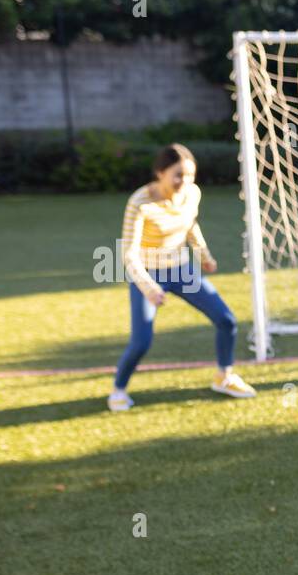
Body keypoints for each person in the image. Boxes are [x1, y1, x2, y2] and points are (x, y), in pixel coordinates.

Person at [108, 144, 255, 411]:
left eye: (189, 176)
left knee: (227, 320)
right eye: (178, 175)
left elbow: (190, 224)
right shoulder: (140, 202)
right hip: (148, 275)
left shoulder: (191, 193)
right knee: (141, 343)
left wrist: (204, 255)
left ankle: (224, 376)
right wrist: (149, 287)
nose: (184, 182)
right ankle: (118, 390)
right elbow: (129, 254)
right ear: (160, 172)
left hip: (181, 270)